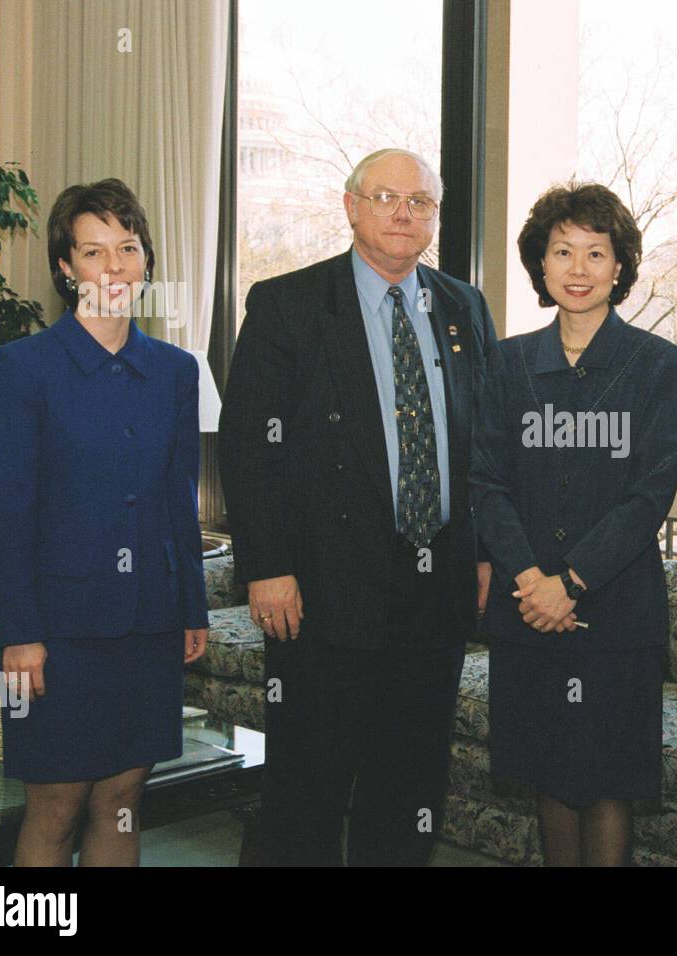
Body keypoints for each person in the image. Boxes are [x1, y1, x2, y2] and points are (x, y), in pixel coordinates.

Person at [219, 148, 497, 866]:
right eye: (385, 198)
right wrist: (268, 566)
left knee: (409, 792)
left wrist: (486, 551)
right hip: (320, 595)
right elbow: (251, 447)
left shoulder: (464, 307)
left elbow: (486, 445)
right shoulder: (288, 305)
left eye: (421, 202)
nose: (404, 214)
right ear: (350, 207)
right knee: (309, 790)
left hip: (433, 599)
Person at [0, 178, 209, 866]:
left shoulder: (174, 370)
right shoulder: (22, 369)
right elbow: (8, 511)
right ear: (65, 268)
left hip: (149, 621)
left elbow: (180, 498)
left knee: (123, 799)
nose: (113, 266)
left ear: (146, 262)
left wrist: (190, 606)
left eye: (128, 248)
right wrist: (20, 636)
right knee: (55, 806)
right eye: (93, 251)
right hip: (59, 630)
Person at [471, 182, 677, 866]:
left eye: (597, 252)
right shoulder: (505, 364)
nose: (580, 268)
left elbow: (650, 493)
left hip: (616, 612)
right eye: (563, 251)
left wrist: (573, 581)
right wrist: (534, 581)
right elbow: (486, 482)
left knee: (608, 781)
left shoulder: (653, 363)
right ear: (541, 264)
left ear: (620, 266)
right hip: (525, 608)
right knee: (550, 776)